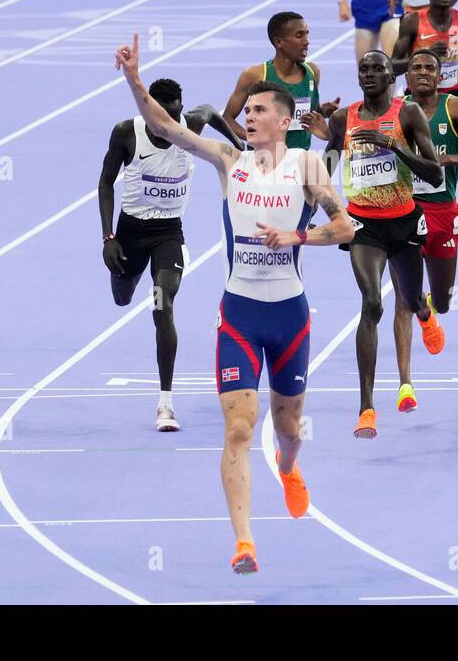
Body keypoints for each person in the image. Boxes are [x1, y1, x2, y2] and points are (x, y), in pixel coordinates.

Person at [115, 34, 354, 575]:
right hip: (240, 317)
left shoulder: (306, 168)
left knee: (288, 429)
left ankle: (290, 470)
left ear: (283, 119)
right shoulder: (228, 160)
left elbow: (344, 227)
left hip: (289, 318)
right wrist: (134, 80)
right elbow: (165, 127)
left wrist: (297, 239)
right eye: (246, 110)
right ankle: (244, 541)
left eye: (258, 110)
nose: (247, 116)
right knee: (240, 431)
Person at [98, 79, 242, 431]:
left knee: (162, 305)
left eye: (177, 114)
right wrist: (108, 237)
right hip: (131, 234)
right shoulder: (126, 133)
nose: (173, 127)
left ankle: (165, 404)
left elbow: (209, 110)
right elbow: (104, 183)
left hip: (168, 234)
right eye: (166, 117)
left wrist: (241, 148)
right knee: (121, 297)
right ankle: (123, 278)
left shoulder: (189, 125)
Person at [324, 51, 446, 440]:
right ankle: (366, 408)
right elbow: (325, 165)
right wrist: (314, 207)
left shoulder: (407, 114)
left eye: (378, 68)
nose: (371, 74)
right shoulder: (343, 119)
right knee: (372, 304)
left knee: (410, 300)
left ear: (391, 76)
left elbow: (434, 172)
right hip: (363, 226)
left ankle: (425, 315)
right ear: (358, 76)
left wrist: (392, 145)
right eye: (364, 69)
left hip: (405, 222)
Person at [392, 49, 458, 412]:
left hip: (443, 213)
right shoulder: (396, 109)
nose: (421, 72)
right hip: (403, 212)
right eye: (415, 67)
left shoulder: (454, 108)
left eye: (429, 68)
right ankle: (405, 385)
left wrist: (446, 159)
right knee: (403, 297)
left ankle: (430, 313)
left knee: (442, 301)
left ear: (439, 75)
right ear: (407, 77)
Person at [221, 12, 338, 152]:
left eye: (307, 34)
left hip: (298, 160)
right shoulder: (256, 75)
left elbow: (304, 113)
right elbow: (227, 118)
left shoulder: (313, 72)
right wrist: (253, 136)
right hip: (263, 160)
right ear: (279, 42)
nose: (307, 41)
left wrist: (322, 112)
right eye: (299, 35)